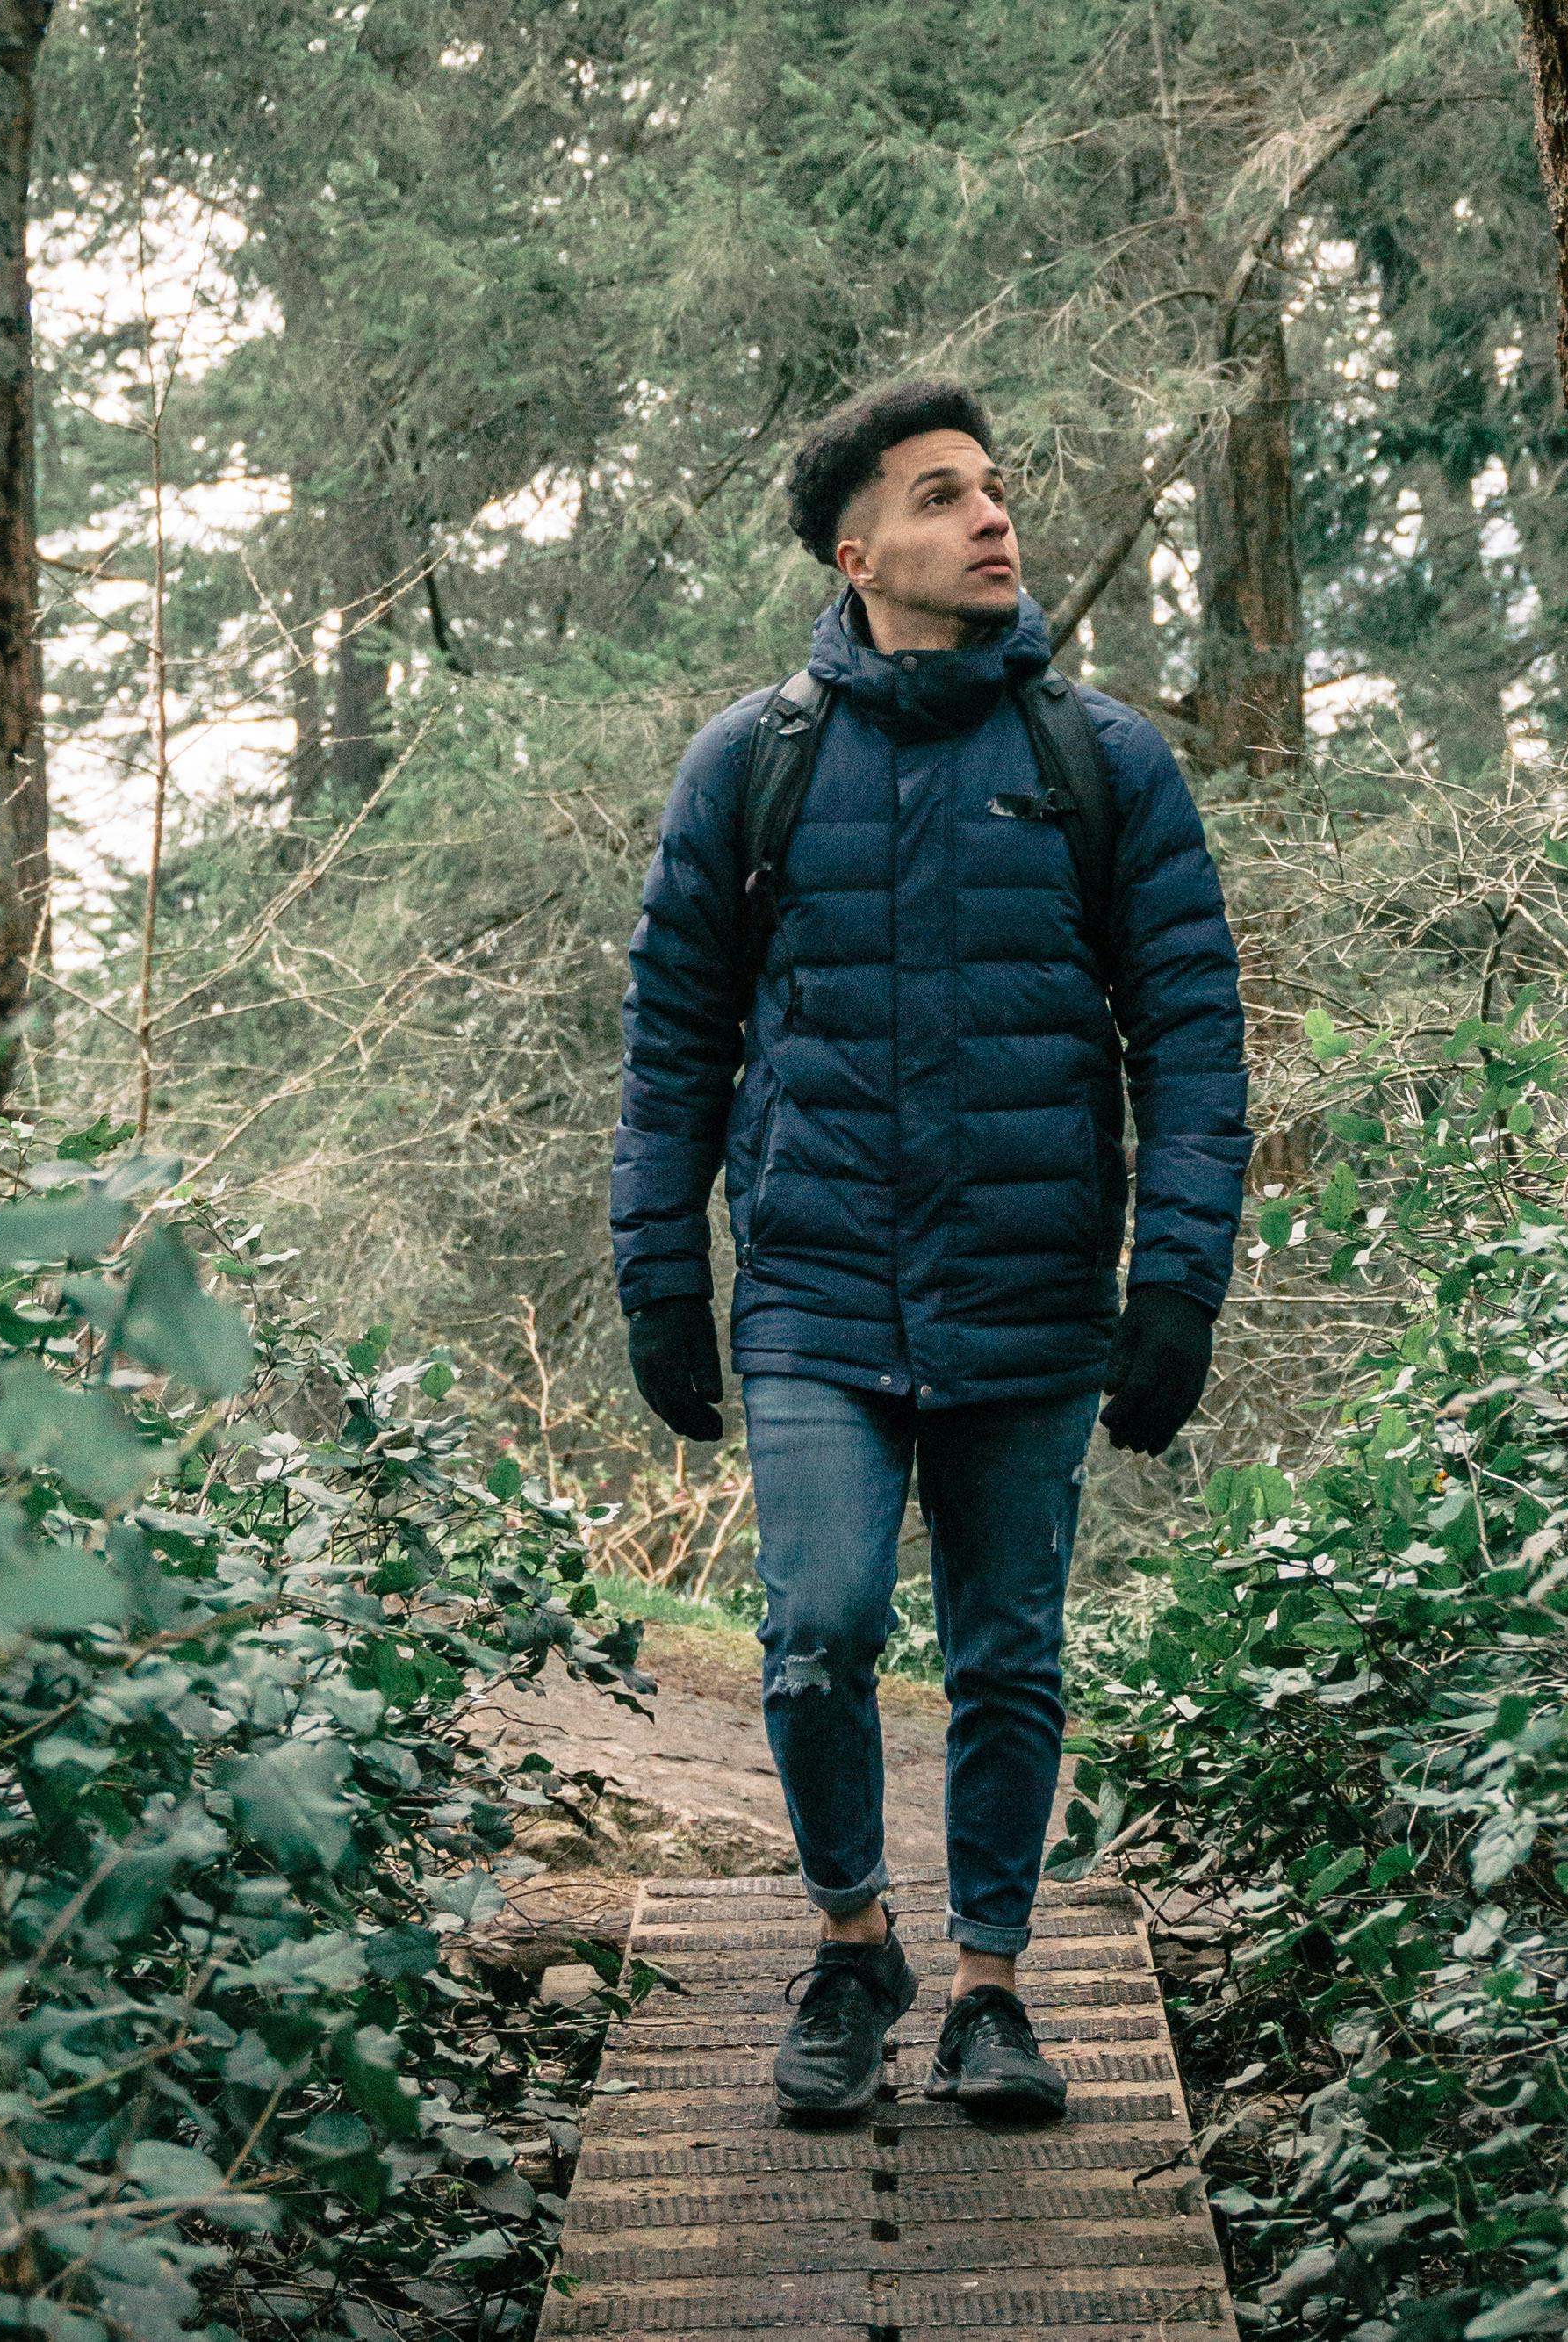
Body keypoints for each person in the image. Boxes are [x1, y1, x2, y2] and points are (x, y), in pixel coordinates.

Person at [609, 380, 1250, 2127]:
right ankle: (846, 1945)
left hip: (1033, 1295)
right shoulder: (754, 761)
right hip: (815, 1292)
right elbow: (676, 1046)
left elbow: (1187, 1040)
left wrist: (1174, 1280)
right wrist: (660, 1272)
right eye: (940, 494)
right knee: (815, 1629)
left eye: (995, 487)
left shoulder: (1096, 761)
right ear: (854, 546)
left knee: (1007, 1652)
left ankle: (985, 1986)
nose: (990, 518)